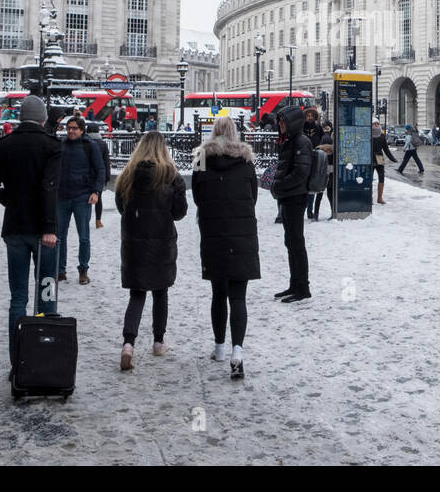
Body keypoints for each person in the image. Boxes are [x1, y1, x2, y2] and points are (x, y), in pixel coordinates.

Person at [0, 95, 61, 371]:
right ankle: (44, 355)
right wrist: (50, 228)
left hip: (14, 227)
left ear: (20, 117)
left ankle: (18, 359)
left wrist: (13, 200)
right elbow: (49, 188)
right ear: (42, 118)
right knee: (46, 294)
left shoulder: (4, 146)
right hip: (43, 232)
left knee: (18, 297)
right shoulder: (51, 146)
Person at [191, 117, 260, 379]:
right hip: (241, 234)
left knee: (218, 293)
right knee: (238, 296)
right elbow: (252, 197)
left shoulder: (200, 157)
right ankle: (237, 352)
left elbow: (197, 196)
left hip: (213, 232)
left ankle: (219, 347)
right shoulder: (246, 159)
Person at [115, 131, 187, 369]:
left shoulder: (128, 174)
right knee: (160, 291)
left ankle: (128, 343)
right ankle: (158, 341)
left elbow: (120, 206)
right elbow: (179, 212)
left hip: (134, 241)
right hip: (161, 241)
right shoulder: (171, 176)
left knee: (137, 293)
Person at [270, 104, 313, 302]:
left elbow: (300, 172)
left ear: (292, 122)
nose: (280, 124)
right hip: (288, 197)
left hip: (295, 197)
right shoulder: (289, 141)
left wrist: (282, 186)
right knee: (291, 242)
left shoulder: (301, 142)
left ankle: (302, 287)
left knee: (296, 242)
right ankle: (294, 284)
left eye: (282, 121)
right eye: (279, 121)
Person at [56, 115, 105, 285]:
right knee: (59, 236)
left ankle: (83, 269)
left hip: (82, 196)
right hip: (62, 196)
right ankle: (60, 270)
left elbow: (100, 169)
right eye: (69, 127)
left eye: (74, 128)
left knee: (84, 236)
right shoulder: (60, 145)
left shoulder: (89, 146)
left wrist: (96, 191)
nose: (71, 131)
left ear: (82, 130)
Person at [86, 121, 112, 229]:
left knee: (85, 199)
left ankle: (85, 220)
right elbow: (106, 161)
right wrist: (107, 176)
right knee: (98, 198)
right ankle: (98, 220)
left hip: (86, 175)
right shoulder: (103, 144)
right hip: (98, 175)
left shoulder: (85, 142)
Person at [371, 118, 395, 205]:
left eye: (377, 123)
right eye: (374, 123)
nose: (376, 125)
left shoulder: (382, 135)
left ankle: (380, 198)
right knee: (369, 178)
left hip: (380, 157)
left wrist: (392, 158)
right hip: (370, 157)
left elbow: (386, 149)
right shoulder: (368, 134)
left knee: (381, 177)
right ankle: (370, 197)